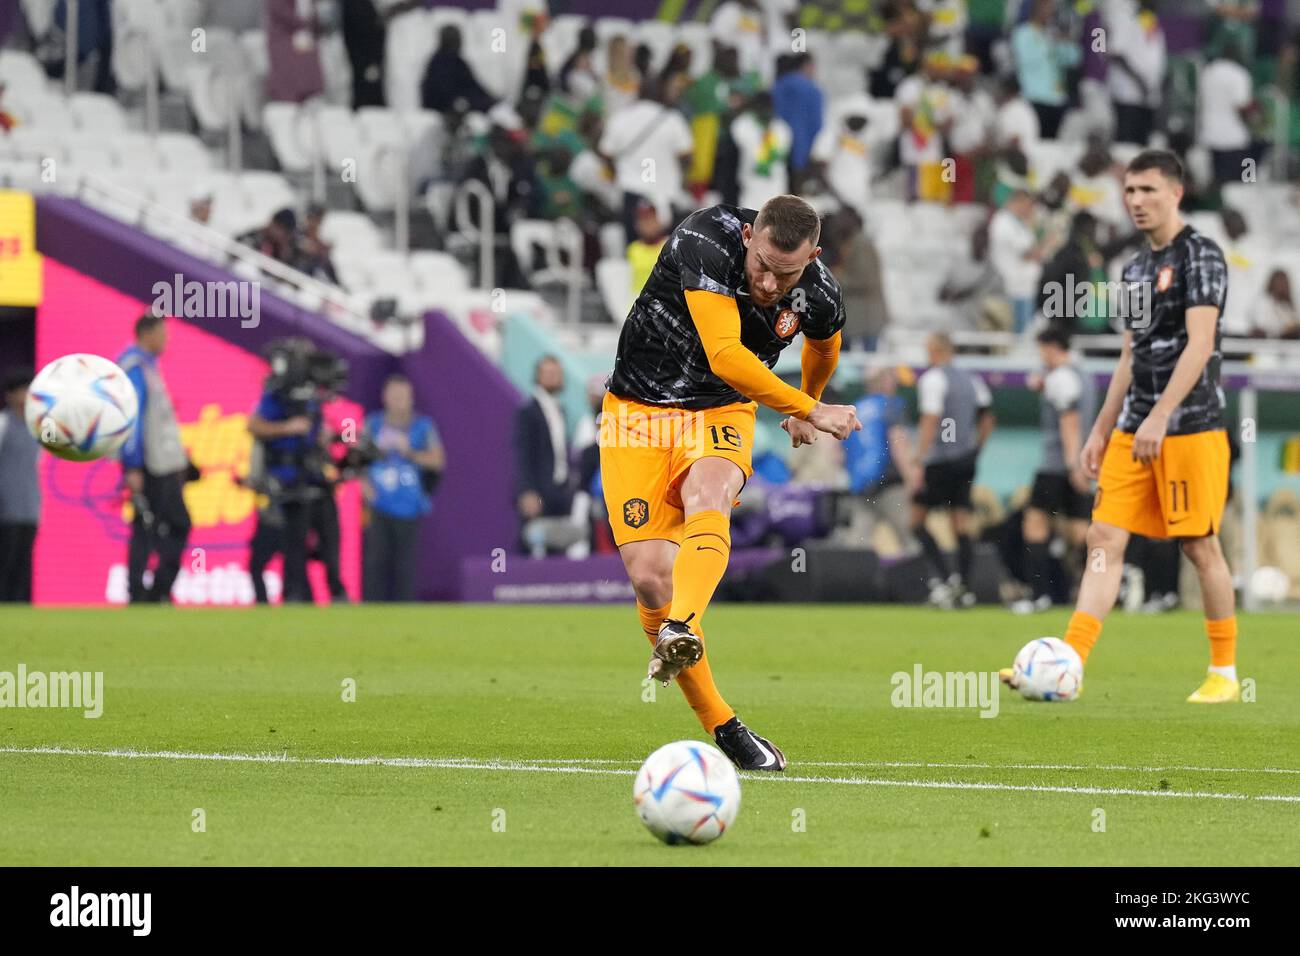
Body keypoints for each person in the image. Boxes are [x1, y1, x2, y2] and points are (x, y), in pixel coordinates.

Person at [600, 195, 860, 772]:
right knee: (648, 578)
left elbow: (824, 344)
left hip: (721, 411)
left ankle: (682, 628)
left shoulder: (819, 293)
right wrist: (810, 412)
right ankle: (721, 719)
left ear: (813, 257)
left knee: (708, 493)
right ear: (750, 237)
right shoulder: (706, 239)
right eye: (762, 263)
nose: (769, 282)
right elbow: (724, 354)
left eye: (785, 271)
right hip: (637, 410)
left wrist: (806, 403)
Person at [1002, 150, 1239, 703]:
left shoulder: (1201, 255)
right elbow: (1131, 357)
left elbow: (1200, 345)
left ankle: (1224, 672)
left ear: (1175, 193)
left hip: (1192, 427)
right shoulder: (1132, 269)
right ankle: (1068, 663)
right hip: (1135, 428)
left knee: (1199, 546)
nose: (1136, 201)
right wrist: (1102, 428)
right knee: (1103, 538)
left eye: (1148, 190)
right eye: (1130, 191)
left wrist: (1161, 415)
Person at [1012, 327, 1097, 614]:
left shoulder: (1060, 377)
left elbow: (1069, 421)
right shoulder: (1083, 376)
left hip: (1057, 465)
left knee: (1034, 525)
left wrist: (1073, 465)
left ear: (1050, 347)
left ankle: (1040, 595)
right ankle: (1093, 594)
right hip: (1082, 463)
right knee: (1080, 531)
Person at [909, 331, 995, 609]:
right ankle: (965, 587)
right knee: (960, 523)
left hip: (939, 460)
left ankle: (945, 580)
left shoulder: (933, 379)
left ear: (935, 349)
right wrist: (975, 449)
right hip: (965, 460)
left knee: (917, 522)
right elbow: (988, 418)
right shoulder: (972, 379)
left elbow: (931, 419)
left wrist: (919, 458)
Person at [118, 314, 192, 604]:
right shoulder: (134, 367)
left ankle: (153, 590)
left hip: (162, 464)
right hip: (150, 466)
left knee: (161, 525)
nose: (166, 339)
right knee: (150, 527)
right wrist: (133, 465)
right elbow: (130, 419)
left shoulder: (147, 366)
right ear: (146, 333)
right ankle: (141, 592)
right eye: (163, 332)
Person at [362, 374, 443, 602]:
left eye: (403, 396)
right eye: (394, 396)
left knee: (405, 563)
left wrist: (409, 452)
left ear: (411, 398)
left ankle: (404, 611)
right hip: (379, 503)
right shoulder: (372, 423)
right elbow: (356, 458)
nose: (399, 401)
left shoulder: (423, 426)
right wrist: (365, 487)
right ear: (384, 397)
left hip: (409, 505)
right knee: (375, 561)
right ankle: (371, 614)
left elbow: (438, 461)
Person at [515, 355, 578, 555]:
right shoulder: (528, 411)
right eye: (548, 373)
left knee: (558, 548)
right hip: (539, 490)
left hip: (559, 489)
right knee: (535, 547)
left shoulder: (560, 410)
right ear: (538, 376)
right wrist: (527, 490)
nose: (553, 377)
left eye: (556, 373)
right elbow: (522, 453)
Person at [0, 369, 39, 603]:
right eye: (23, 391)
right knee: (6, 559)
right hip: (6, 506)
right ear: (11, 395)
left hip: (30, 505)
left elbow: (55, 446)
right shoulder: (3, 423)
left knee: (24, 561)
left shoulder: (40, 427)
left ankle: (19, 607)